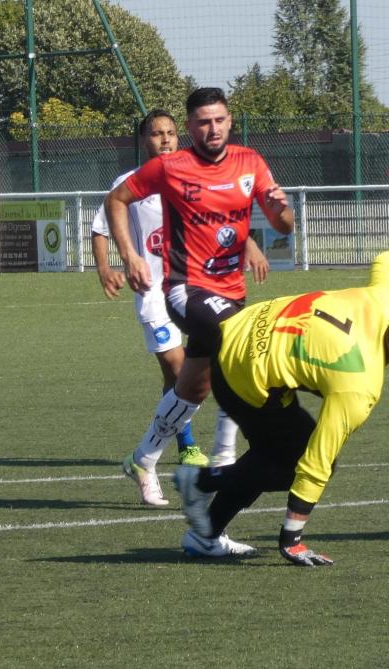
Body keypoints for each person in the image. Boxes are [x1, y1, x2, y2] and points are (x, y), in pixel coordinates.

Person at [169, 251, 389, 564]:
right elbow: (317, 462)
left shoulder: (388, 300)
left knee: (278, 450)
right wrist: (291, 540)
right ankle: (201, 483)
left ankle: (205, 532)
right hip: (240, 374)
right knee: (289, 462)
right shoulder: (359, 384)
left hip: (243, 326)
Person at [102, 87, 294, 506]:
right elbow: (116, 199)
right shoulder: (170, 167)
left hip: (232, 291)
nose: (213, 128)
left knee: (193, 388)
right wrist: (129, 256)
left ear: (230, 121)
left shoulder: (250, 161)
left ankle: (143, 458)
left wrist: (281, 209)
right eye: (204, 122)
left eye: (219, 120)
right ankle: (225, 458)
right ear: (190, 127)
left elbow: (283, 225)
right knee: (239, 345)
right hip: (185, 288)